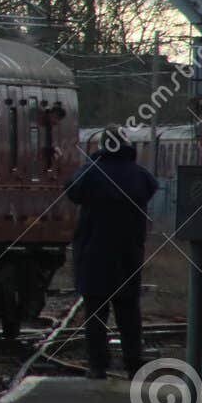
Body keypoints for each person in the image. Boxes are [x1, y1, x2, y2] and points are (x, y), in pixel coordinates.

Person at [65, 126, 158, 378]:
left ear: (104, 147)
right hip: (128, 254)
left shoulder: (92, 174)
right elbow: (152, 187)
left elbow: (72, 189)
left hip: (94, 254)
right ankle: (133, 362)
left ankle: (98, 366)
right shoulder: (140, 177)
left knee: (95, 314)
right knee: (129, 313)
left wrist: (95, 160)